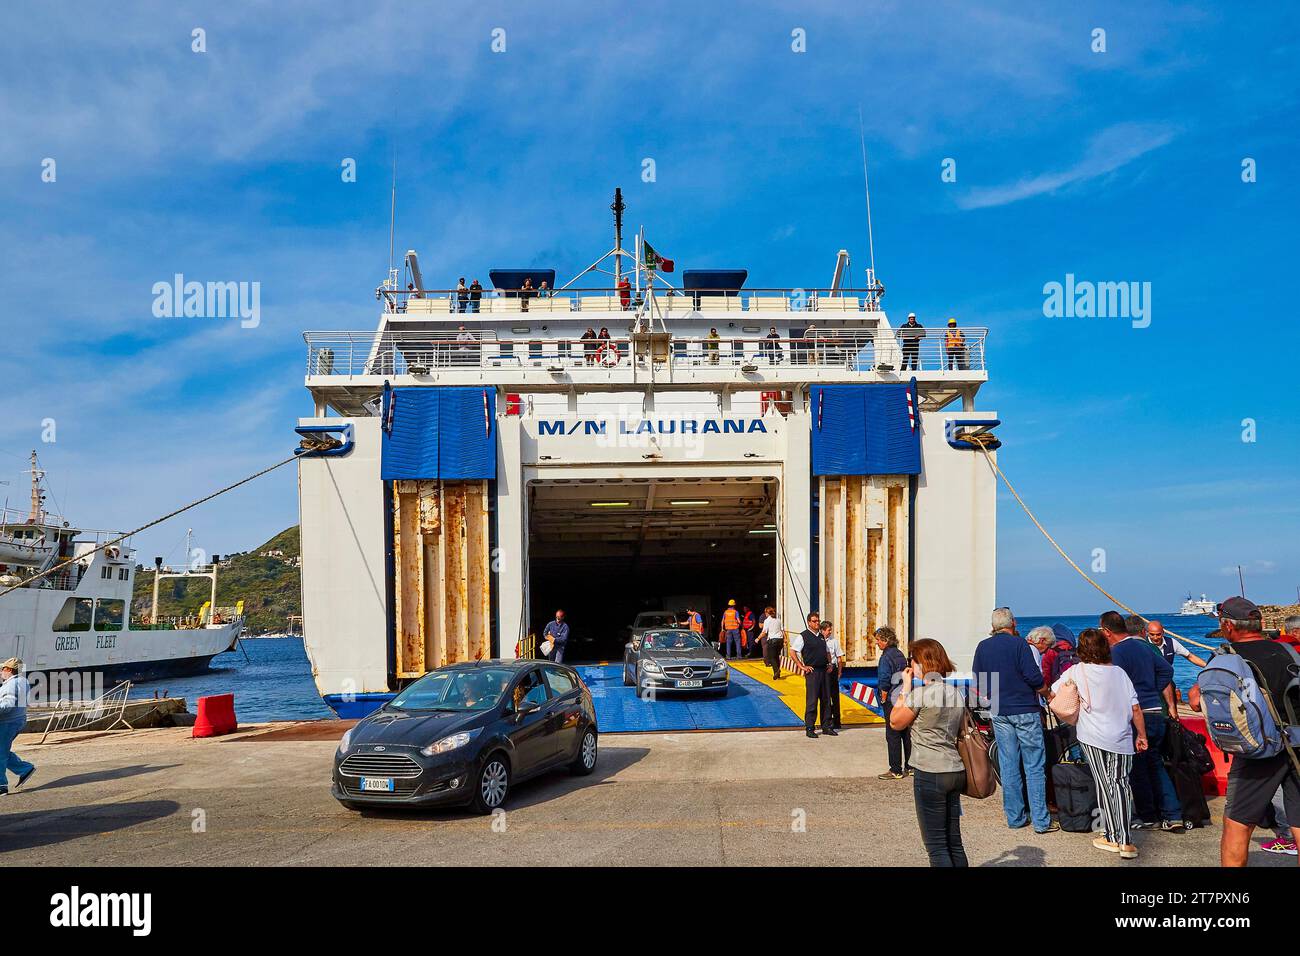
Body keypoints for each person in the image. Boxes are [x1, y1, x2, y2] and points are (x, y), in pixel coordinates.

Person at [1188, 597, 1300, 867]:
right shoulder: (1289, 651)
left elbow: (1194, 700)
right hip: (1297, 744)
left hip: (1258, 751)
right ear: (1259, 624)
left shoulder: (1227, 657)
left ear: (1227, 626)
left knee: (1237, 825)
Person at [1053, 629, 1147, 859]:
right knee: (1121, 785)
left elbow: (1055, 692)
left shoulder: (1076, 670)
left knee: (1104, 784)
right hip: (1122, 737)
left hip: (1092, 736)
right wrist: (1141, 735)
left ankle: (1112, 836)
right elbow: (1135, 708)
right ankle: (1126, 840)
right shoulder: (1120, 673)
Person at [971, 607, 1057, 833]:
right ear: (1014, 623)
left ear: (993, 626)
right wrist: (1047, 693)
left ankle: (1015, 817)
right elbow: (1032, 676)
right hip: (1025, 709)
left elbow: (979, 681)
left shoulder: (983, 647)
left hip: (999, 709)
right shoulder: (1020, 645)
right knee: (1034, 765)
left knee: (1009, 765)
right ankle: (1040, 820)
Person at [1100, 609, 1183, 832]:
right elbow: (1167, 670)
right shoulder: (1146, 646)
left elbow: (1111, 683)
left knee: (1137, 767)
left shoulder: (1116, 652)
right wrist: (1152, 689)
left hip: (1135, 714)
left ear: (1107, 632)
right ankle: (1172, 813)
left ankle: (1149, 815)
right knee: (1155, 763)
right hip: (1155, 710)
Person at [889, 638, 969, 866]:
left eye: (911, 661)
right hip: (955, 769)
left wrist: (905, 688)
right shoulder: (956, 694)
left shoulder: (920, 695)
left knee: (936, 847)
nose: (909, 666)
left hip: (930, 771)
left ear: (921, 663)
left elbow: (895, 722)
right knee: (954, 842)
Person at [875, 626, 912, 780]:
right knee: (906, 733)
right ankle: (910, 767)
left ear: (885, 640)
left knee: (892, 733)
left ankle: (895, 769)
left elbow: (884, 680)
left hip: (892, 699)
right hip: (904, 696)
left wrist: (883, 698)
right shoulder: (900, 654)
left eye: (878, 640)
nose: (877, 643)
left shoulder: (885, 657)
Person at [790, 612, 836, 738]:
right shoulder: (803, 636)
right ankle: (810, 727)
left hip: (824, 671)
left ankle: (826, 726)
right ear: (809, 622)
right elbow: (792, 651)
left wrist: (830, 663)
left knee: (826, 699)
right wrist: (801, 666)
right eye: (814, 621)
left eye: (818, 621)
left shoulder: (822, 636)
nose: (817, 623)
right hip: (812, 672)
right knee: (812, 700)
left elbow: (827, 652)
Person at [0, 658, 35, 795]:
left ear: (9, 670)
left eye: (3, 669)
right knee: (3, 751)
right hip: (18, 720)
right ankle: (25, 769)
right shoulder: (23, 681)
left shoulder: (11, 685)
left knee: (0, 753)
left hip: (7, 723)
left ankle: (1, 785)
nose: (1, 671)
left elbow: (8, 705)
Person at [822, 620, 844, 730]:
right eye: (828, 630)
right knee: (825, 696)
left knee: (834, 697)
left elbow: (839, 658)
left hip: (833, 670)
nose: (830, 632)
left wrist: (839, 672)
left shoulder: (834, 641)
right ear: (823, 630)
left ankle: (837, 721)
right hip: (824, 669)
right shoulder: (819, 641)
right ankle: (827, 720)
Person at [759, 606, 783, 679]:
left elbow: (764, 632)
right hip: (780, 640)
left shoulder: (767, 621)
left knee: (771, 657)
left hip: (772, 640)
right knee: (776, 657)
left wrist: (758, 638)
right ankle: (778, 674)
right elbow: (782, 630)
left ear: (767, 613)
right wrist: (785, 640)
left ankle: (776, 671)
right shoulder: (778, 620)